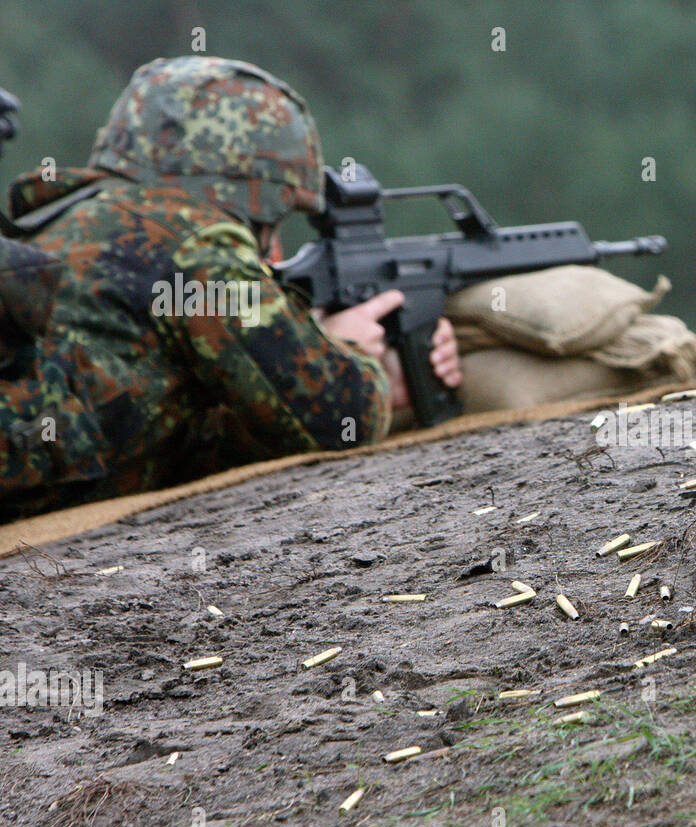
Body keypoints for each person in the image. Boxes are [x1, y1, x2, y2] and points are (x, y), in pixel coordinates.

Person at [0, 56, 460, 522]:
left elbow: (165, 422)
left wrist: (334, 348)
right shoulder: (193, 237)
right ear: (252, 188)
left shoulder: (63, 220)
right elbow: (338, 420)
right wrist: (357, 356)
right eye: (271, 224)